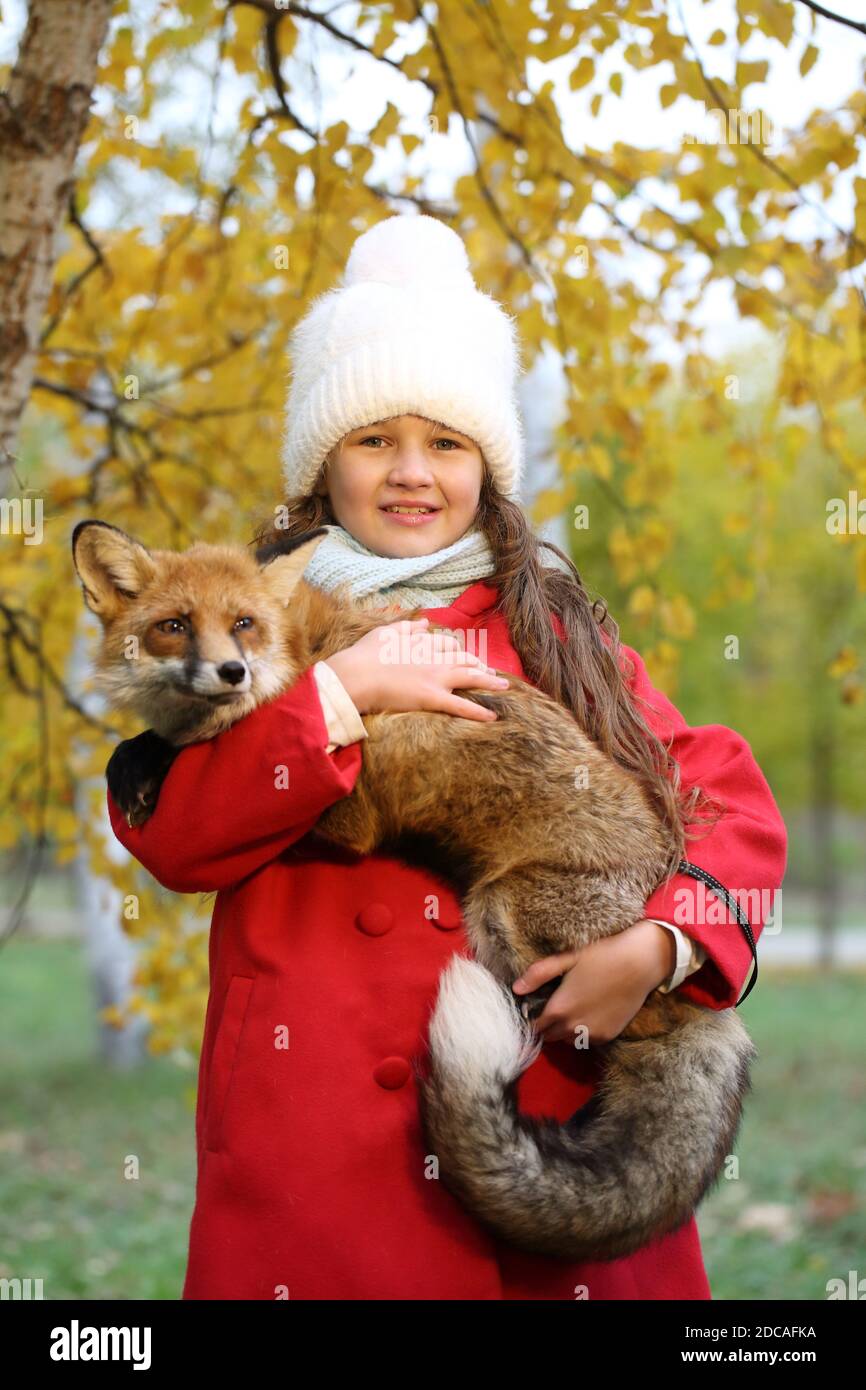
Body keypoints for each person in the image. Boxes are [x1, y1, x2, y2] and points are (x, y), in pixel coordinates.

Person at [107, 213, 787, 1300]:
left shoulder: (554, 630)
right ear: (322, 464)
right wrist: (338, 692)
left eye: (447, 441)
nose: (410, 472)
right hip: (317, 1133)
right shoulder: (242, 625)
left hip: (545, 1094)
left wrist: (660, 947)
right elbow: (178, 837)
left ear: (487, 465)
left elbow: (725, 800)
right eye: (374, 438)